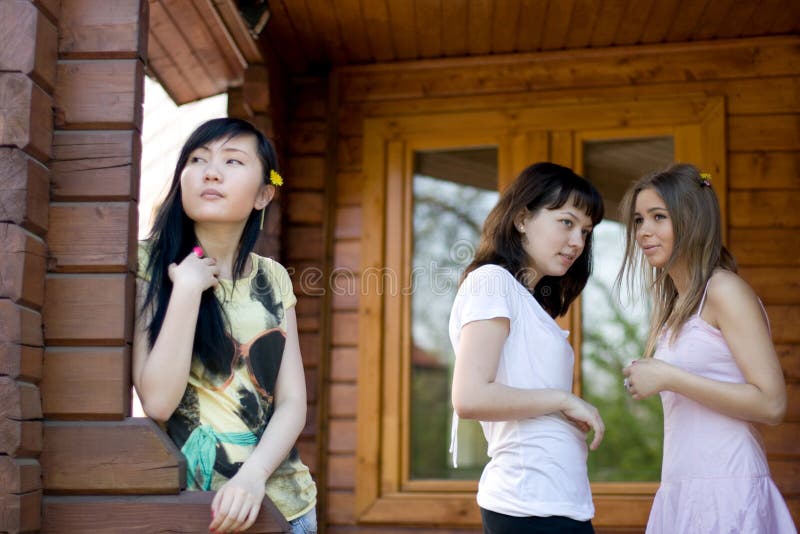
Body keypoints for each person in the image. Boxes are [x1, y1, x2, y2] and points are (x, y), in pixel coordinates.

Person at [133, 118, 317, 534]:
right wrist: (186, 290)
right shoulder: (148, 264)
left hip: (288, 509)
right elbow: (158, 403)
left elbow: (292, 402)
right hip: (198, 512)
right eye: (198, 159)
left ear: (263, 194)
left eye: (233, 161)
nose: (210, 171)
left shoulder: (273, 279)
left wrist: (252, 477)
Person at [618, 163, 795, 533]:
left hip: (728, 491)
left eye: (658, 217)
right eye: (638, 220)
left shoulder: (724, 290)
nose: (644, 231)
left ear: (692, 221)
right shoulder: (674, 305)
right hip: (682, 489)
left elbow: (772, 404)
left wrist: (669, 376)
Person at [449, 162, 606, 534]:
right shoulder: (491, 282)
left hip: (554, 501)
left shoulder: (526, 302)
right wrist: (565, 400)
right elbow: (470, 397)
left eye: (586, 231)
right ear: (522, 218)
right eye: (566, 222)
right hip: (528, 503)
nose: (578, 242)